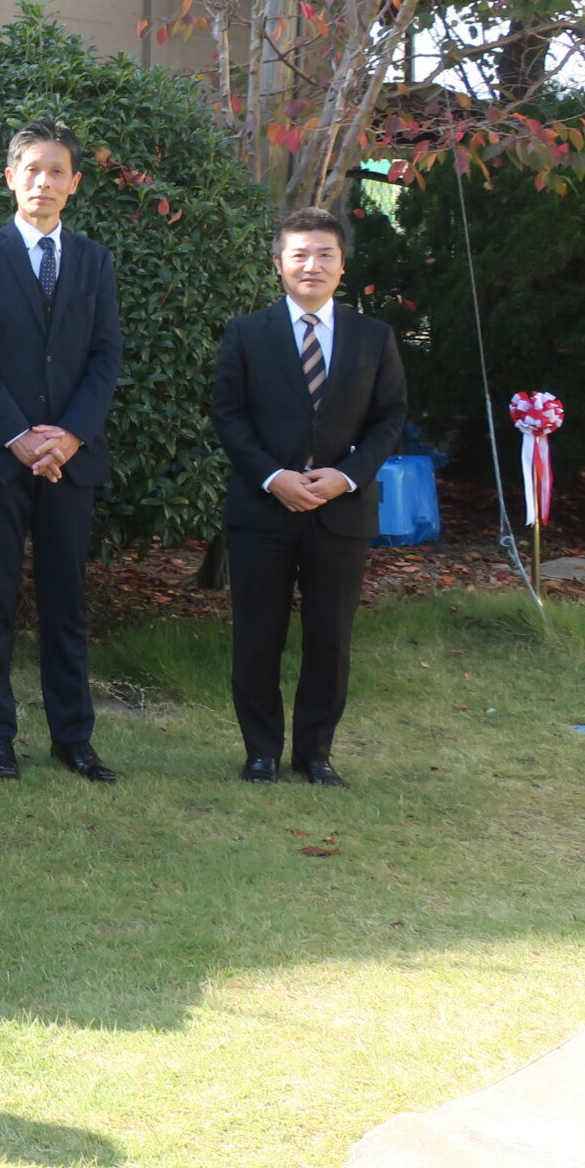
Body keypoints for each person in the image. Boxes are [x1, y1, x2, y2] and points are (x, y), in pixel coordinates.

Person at [0, 119, 125, 783]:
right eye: (32, 169)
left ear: (74, 184)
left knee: (66, 602)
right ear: (10, 177)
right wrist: (20, 437)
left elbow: (106, 355)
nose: (43, 181)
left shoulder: (94, 261)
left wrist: (70, 435)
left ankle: (72, 735)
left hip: (70, 461)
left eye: (57, 171)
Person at [210, 205, 407, 787]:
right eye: (299, 254)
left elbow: (390, 417)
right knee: (256, 636)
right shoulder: (247, 333)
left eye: (324, 254)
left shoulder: (375, 337)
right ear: (278, 264)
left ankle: (316, 754)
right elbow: (229, 415)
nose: (311, 265)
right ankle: (261, 753)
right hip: (262, 510)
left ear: (341, 266)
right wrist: (276, 477)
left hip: (341, 513)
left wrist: (345, 477)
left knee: (330, 639)